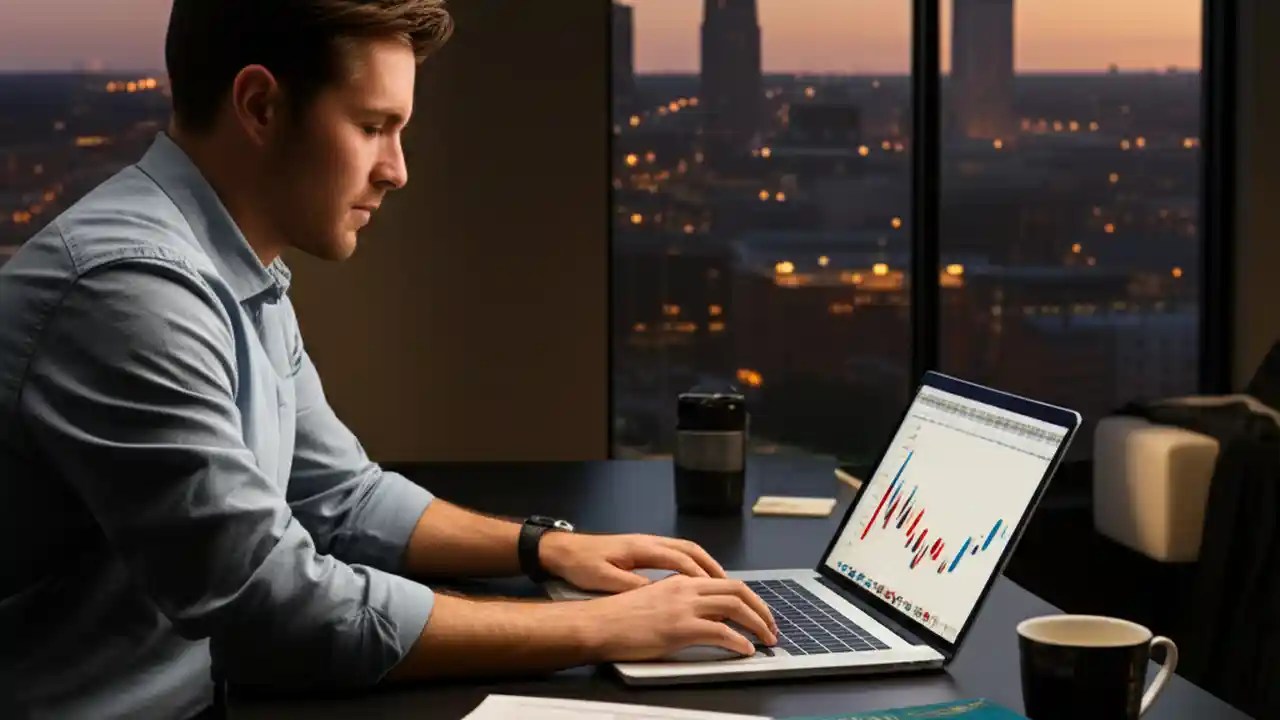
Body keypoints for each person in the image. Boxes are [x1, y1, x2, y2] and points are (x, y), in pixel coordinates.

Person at [0, 1, 777, 718]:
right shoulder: (131, 291)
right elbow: (274, 607)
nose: (397, 169)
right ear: (261, 106)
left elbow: (342, 497)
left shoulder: (231, 272)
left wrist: (546, 548)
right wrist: (601, 627)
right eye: (374, 125)